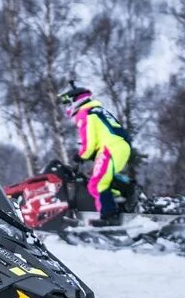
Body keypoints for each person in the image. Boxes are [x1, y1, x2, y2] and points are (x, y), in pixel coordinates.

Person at [57, 82, 132, 226]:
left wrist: (81, 155)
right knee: (100, 181)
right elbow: (101, 136)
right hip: (121, 146)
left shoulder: (85, 113)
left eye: (67, 103)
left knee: (97, 183)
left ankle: (109, 216)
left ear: (75, 100)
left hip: (111, 148)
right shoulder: (97, 110)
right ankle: (122, 200)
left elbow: (89, 141)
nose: (67, 108)